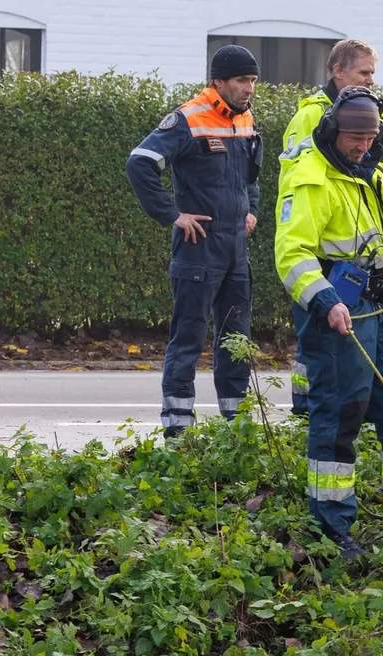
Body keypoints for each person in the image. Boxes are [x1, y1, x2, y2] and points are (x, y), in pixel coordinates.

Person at [274, 88, 383, 562]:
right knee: (340, 411)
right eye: (353, 138)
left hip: (376, 306)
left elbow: (377, 234)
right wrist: (324, 300)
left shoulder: (370, 171)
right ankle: (331, 527)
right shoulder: (310, 178)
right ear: (331, 132)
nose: (362, 146)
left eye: (369, 137)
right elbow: (291, 253)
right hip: (335, 311)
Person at [126, 44, 263, 436]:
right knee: (188, 337)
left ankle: (237, 429)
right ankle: (177, 429)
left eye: (252, 80)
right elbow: (140, 163)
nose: (249, 88)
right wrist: (172, 215)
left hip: (235, 248)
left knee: (237, 338)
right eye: (241, 80)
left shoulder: (245, 119)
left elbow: (251, 176)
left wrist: (250, 209)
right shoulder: (189, 118)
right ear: (218, 82)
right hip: (198, 246)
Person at [281, 38, 383, 417]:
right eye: (364, 72)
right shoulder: (312, 115)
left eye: (373, 73)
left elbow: (382, 178)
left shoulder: (373, 112)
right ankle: (305, 410)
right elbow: (298, 180)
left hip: (368, 250)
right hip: (324, 252)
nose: (370, 80)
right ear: (338, 71)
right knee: (322, 359)